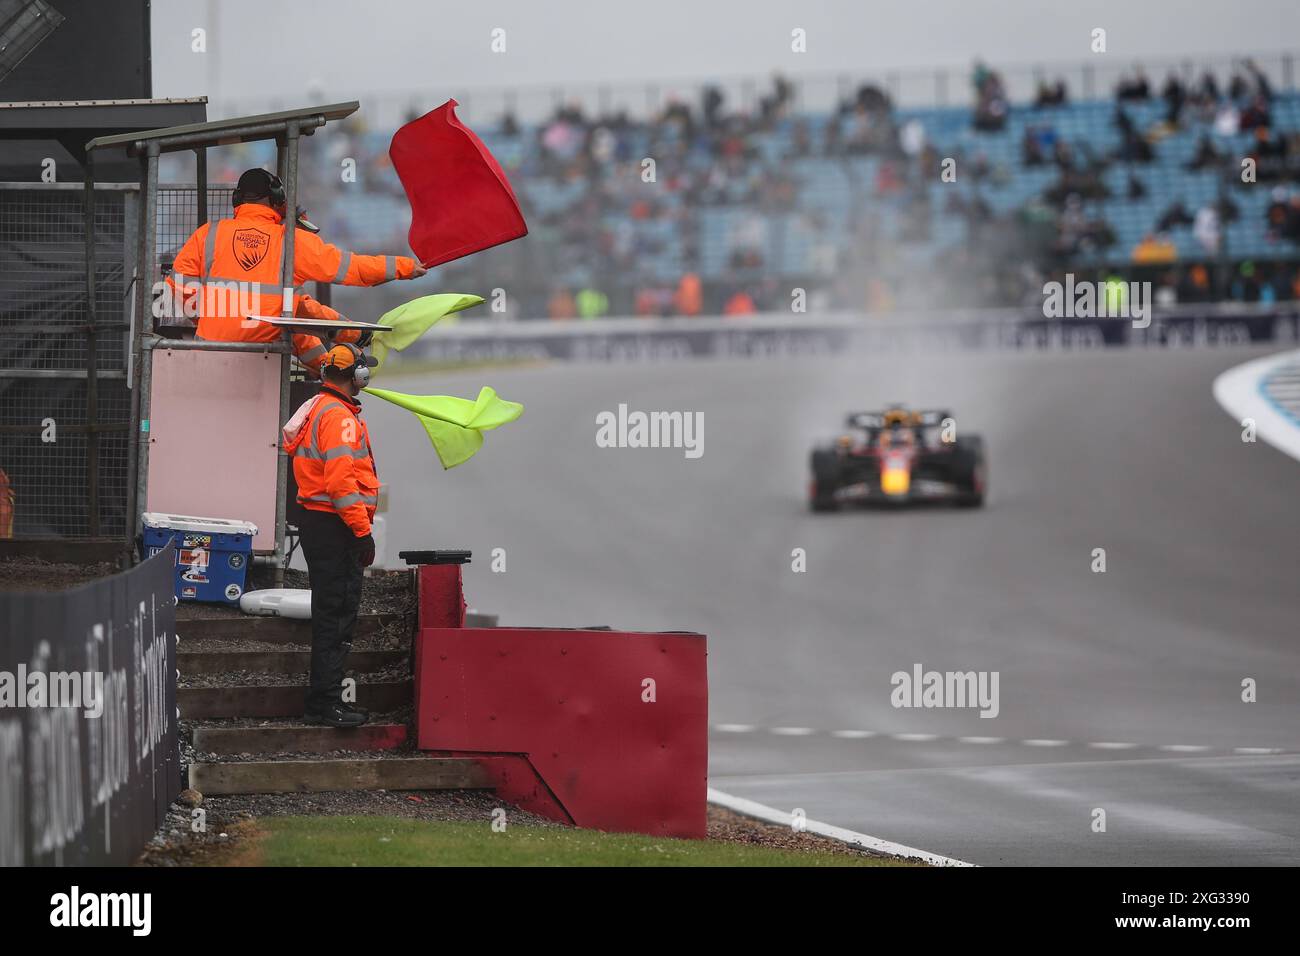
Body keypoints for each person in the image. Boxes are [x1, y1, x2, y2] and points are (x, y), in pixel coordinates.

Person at [164, 168, 427, 377]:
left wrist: (206, 317)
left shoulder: (208, 233)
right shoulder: (290, 241)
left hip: (208, 354)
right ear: (279, 200)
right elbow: (351, 268)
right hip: (261, 363)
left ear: (237, 199)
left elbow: (177, 282)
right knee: (290, 321)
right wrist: (404, 267)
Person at [282, 343, 381, 727]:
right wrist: (362, 532)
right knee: (337, 616)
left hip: (319, 523)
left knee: (330, 613)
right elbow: (342, 485)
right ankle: (325, 705)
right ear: (355, 376)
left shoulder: (317, 406)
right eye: (362, 370)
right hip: (335, 527)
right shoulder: (339, 416)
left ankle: (323, 701)